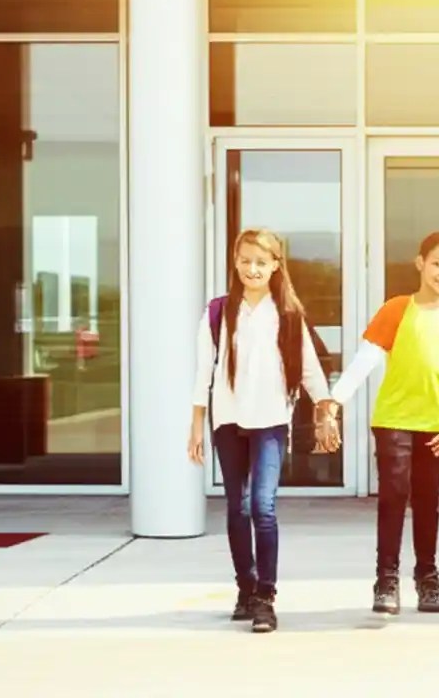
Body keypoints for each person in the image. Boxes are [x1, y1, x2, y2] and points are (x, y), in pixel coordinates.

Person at [187, 229, 338, 634]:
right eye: (245, 260)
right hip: (228, 420)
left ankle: (266, 598)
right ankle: (245, 589)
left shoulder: (287, 314)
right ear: (235, 263)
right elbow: (204, 371)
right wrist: (196, 424)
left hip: (270, 420)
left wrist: (326, 412)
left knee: (262, 506)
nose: (252, 268)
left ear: (275, 265)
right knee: (236, 506)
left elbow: (309, 370)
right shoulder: (219, 311)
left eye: (261, 261)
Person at [319, 231, 439, 615]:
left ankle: (428, 578)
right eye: (438, 263)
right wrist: (334, 402)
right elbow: (365, 361)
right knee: (393, 498)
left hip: (435, 426)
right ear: (420, 262)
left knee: (427, 503)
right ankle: (386, 579)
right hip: (393, 421)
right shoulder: (397, 308)